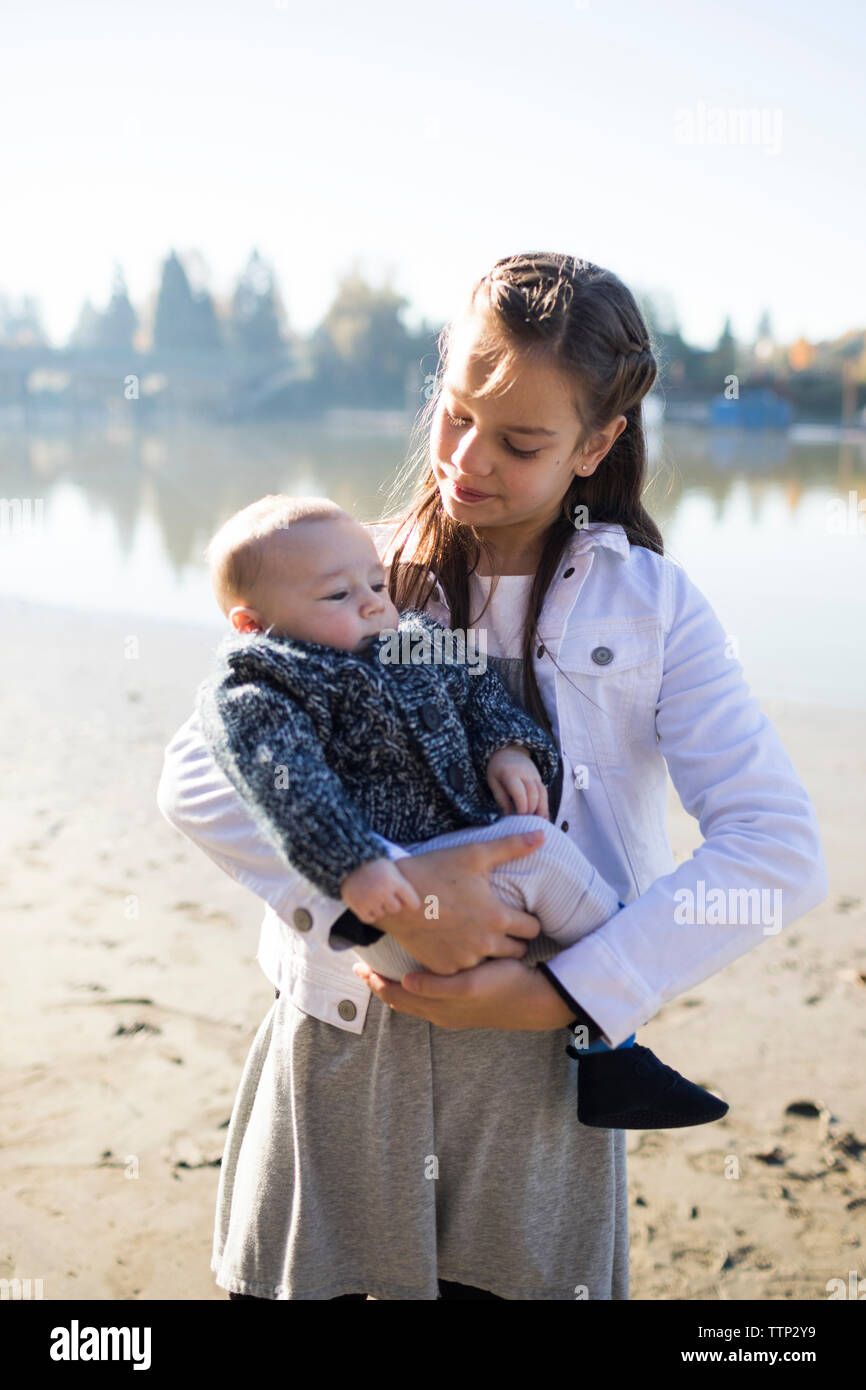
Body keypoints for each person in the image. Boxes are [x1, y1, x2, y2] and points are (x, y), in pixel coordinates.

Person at [157, 252, 828, 1301]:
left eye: (519, 441)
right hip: (342, 1047)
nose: (465, 460)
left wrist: (571, 988)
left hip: (540, 1072)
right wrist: (389, 911)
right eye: (456, 414)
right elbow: (201, 779)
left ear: (596, 444)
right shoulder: (342, 575)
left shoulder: (655, 609)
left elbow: (775, 850)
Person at [194, 493, 727, 1128]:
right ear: (254, 626)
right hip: (395, 905)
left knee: (536, 845)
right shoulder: (263, 688)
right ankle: (615, 1046)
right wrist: (355, 868)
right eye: (336, 596)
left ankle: (606, 1043)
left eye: (375, 583)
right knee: (539, 847)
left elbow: (477, 690)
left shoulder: (412, 638)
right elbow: (288, 789)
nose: (370, 603)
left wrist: (507, 748)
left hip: (464, 881)